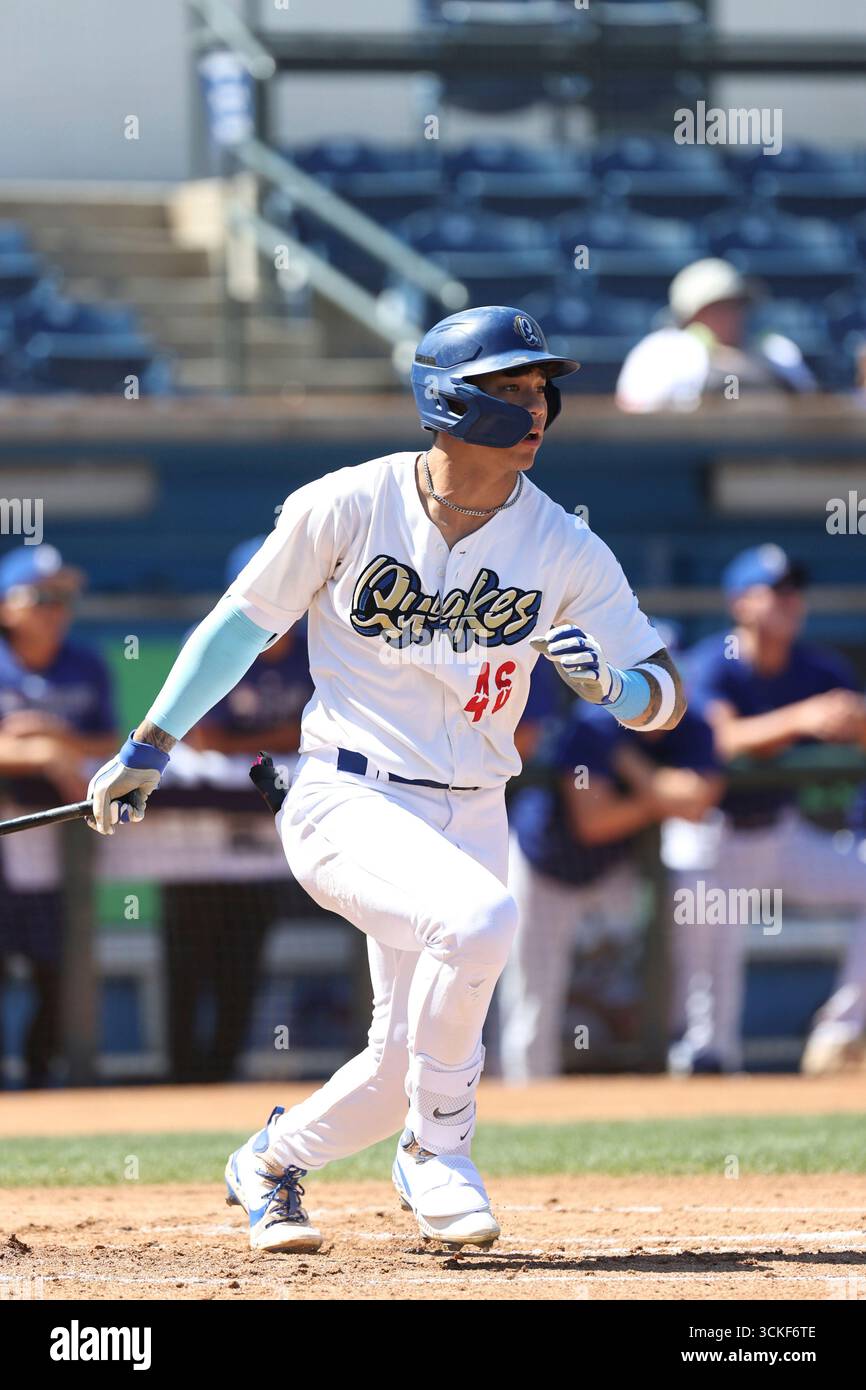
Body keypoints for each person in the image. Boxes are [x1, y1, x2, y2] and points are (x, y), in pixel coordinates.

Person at [85, 305, 685, 1254]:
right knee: (483, 920)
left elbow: (668, 696)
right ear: (447, 401)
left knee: (402, 1054)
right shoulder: (347, 503)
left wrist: (617, 687)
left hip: (475, 807)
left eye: (541, 389)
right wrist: (149, 744)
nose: (537, 407)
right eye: (511, 388)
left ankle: (271, 1162)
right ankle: (437, 1147)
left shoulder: (564, 547)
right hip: (345, 794)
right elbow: (242, 625)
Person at [685, 544, 866, 1074]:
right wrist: (801, 719)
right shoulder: (713, 660)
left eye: (795, 592)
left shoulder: (817, 665)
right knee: (708, 1019)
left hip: (783, 836)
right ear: (740, 602)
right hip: (715, 841)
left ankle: (842, 1034)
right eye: (776, 591)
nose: (790, 601)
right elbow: (719, 740)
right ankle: (704, 1071)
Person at [499, 698, 722, 1081]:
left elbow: (697, 803)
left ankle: (686, 1057)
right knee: (532, 998)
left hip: (614, 872)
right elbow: (593, 821)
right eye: (648, 683)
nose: (660, 696)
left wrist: (635, 771)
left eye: (666, 681)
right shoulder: (596, 722)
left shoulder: (693, 722)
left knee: (695, 899)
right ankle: (527, 1100)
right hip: (547, 863)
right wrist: (659, 796)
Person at [162, 537, 315, 1084]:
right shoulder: (210, 642)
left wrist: (253, 742)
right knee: (185, 958)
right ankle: (181, 1076)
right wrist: (279, 738)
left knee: (244, 958)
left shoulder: (316, 645)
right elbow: (199, 735)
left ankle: (221, 1072)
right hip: (195, 838)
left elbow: (326, 730)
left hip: (264, 832)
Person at [0, 544, 117, 1086]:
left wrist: (56, 738)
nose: (55, 609)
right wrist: (40, 754)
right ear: (6, 606)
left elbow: (111, 741)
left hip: (55, 848)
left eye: (64, 598)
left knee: (55, 969)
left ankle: (42, 1083)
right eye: (41, 597)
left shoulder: (85, 662)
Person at [616, 258, 815, 413]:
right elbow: (633, 415)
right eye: (717, 308)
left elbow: (811, 411)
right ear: (691, 315)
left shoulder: (776, 350)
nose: (730, 316)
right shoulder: (662, 351)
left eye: (735, 306)